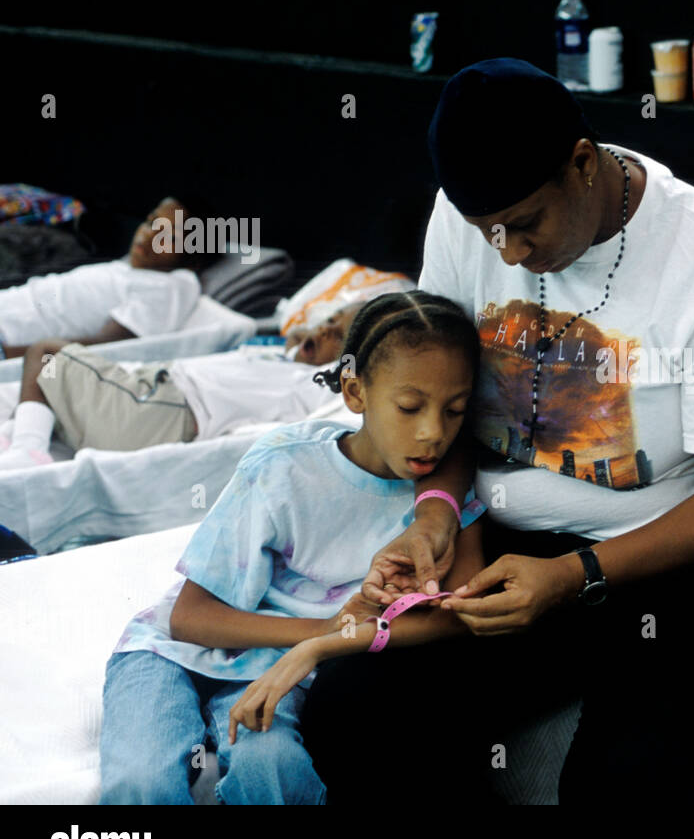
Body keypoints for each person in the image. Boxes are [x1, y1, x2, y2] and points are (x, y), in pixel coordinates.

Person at [299, 58, 694, 805]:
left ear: (582, 165)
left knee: (620, 786)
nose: (505, 252)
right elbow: (446, 407)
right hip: (517, 554)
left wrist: (579, 578)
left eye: (525, 225)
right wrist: (437, 520)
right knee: (355, 713)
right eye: (489, 234)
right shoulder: (468, 217)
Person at [98, 291, 485, 804]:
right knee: (140, 783)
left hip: (280, 668)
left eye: (455, 410)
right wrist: (323, 633)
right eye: (410, 406)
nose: (433, 432)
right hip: (170, 653)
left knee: (273, 769)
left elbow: (461, 613)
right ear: (354, 391)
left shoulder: (450, 506)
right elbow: (188, 617)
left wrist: (325, 645)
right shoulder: (284, 465)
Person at [0, 303, 363, 471]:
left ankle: (28, 451)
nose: (327, 329)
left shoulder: (319, 383)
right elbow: (294, 341)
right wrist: (300, 343)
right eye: (329, 319)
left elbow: (339, 374)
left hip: (157, 406)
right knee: (48, 386)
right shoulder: (279, 360)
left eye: (341, 333)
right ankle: (24, 437)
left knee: (45, 354)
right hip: (154, 400)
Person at [0, 197, 217, 361]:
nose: (148, 235)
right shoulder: (132, 269)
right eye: (151, 223)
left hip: (8, 338)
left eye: (169, 236)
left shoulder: (170, 286)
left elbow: (109, 347)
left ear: (194, 259)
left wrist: (10, 354)